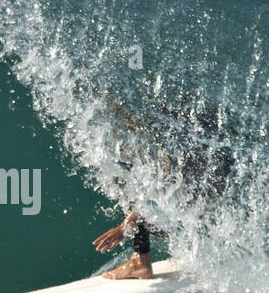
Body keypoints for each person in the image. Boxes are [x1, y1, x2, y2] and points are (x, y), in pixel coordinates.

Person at [93, 98, 235, 279]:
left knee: (126, 182)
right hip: (219, 224)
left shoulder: (163, 143)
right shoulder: (199, 136)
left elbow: (162, 189)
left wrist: (125, 226)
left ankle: (140, 261)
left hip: (195, 223)